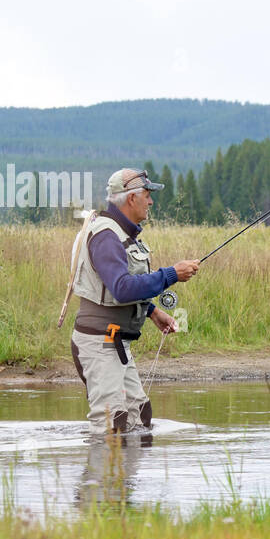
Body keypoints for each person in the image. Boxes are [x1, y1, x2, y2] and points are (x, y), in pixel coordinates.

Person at [69, 168, 200, 436]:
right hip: (99, 342)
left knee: (141, 416)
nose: (151, 201)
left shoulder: (122, 233)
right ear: (131, 199)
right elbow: (121, 288)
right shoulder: (106, 236)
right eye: (147, 195)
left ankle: (127, 479)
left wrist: (152, 312)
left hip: (115, 341)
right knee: (112, 424)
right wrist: (171, 274)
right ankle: (103, 476)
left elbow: (116, 286)